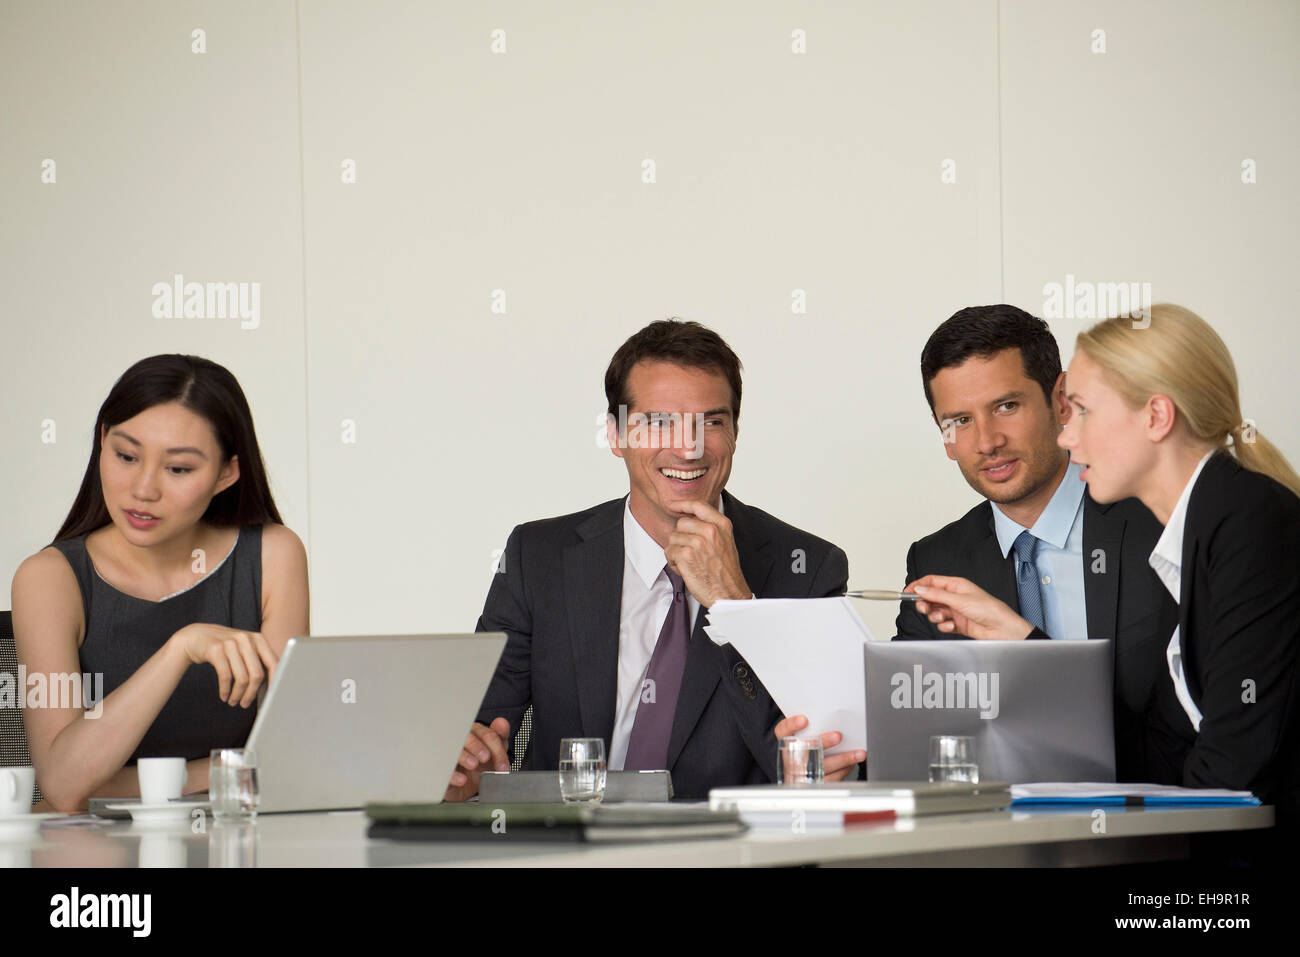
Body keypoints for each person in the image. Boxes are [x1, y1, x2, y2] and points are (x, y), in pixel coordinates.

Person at [915, 305, 1300, 834]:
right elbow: (1163, 757)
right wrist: (1024, 641)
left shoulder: (1245, 523)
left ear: (1156, 417)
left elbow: (1236, 774)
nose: (1070, 437)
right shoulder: (1203, 528)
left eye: (1084, 412)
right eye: (958, 421)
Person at [448, 319, 862, 801]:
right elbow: (477, 731)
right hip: (570, 848)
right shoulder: (538, 557)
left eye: (711, 421)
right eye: (659, 422)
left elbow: (817, 763)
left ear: (733, 434)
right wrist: (460, 764)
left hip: (727, 851)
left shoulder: (808, 567)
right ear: (615, 435)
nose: (687, 449)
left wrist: (734, 607)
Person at [11, 355, 309, 812]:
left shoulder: (273, 554)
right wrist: (180, 650)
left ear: (226, 474)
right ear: (103, 441)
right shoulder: (49, 579)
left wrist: (124, 782)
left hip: (238, 845)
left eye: (179, 469)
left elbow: (290, 756)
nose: (143, 489)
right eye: (126, 456)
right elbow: (65, 784)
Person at [896, 305, 1175, 780]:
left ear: (1061, 400)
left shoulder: (1158, 524)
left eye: (1006, 406)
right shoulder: (937, 559)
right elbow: (912, 736)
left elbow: (1198, 734)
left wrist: (1029, 651)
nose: (987, 442)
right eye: (959, 420)